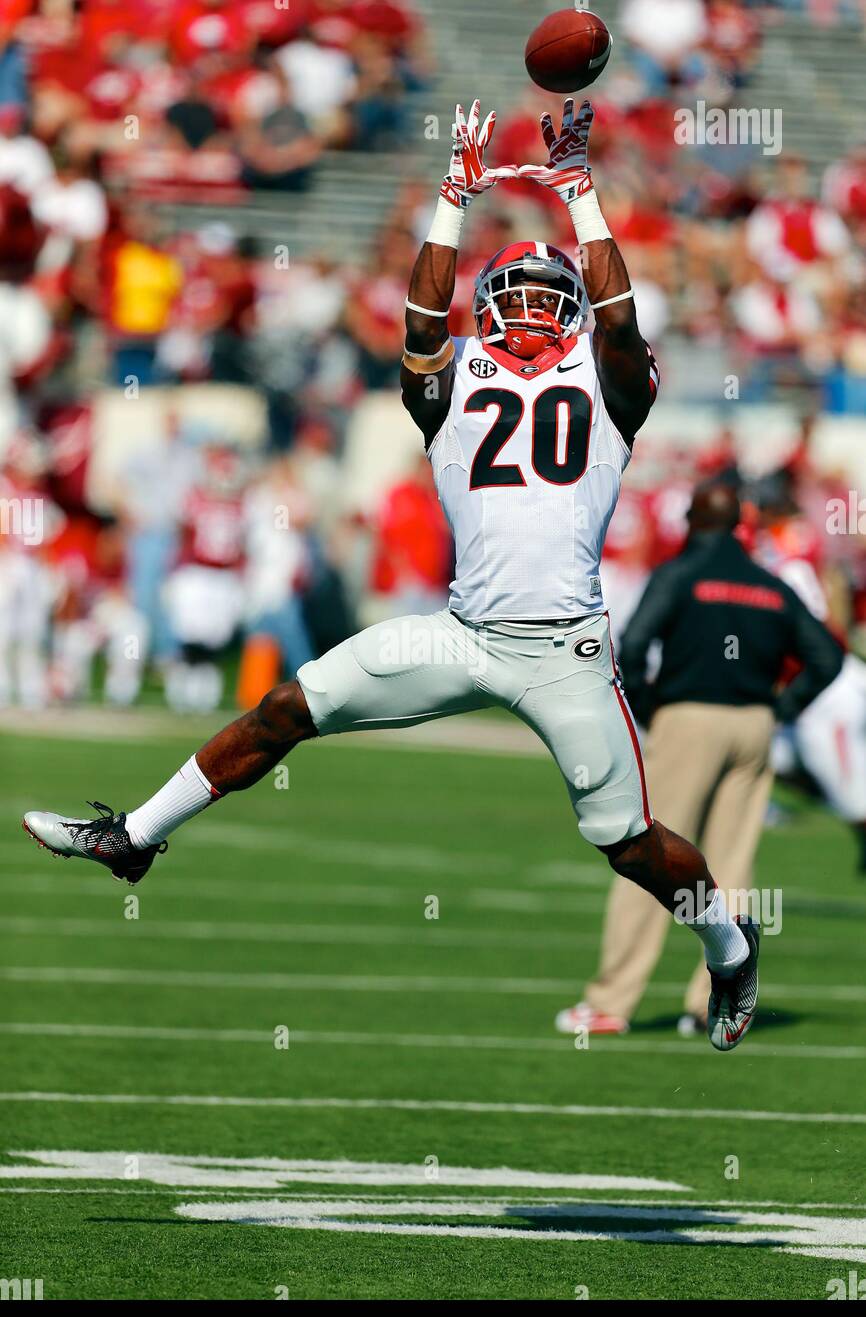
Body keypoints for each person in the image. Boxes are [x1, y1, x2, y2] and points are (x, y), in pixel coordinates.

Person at [26, 98, 759, 1052]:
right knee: (287, 708)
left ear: (573, 311)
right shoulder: (452, 385)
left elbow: (618, 320)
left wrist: (578, 189)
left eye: (549, 296)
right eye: (514, 295)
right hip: (461, 632)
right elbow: (419, 322)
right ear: (486, 310)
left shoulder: (608, 384)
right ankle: (136, 835)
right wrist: (452, 199)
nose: (530, 308)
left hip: (563, 650)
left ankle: (729, 946)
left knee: (627, 843)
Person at [556, 481, 843, 1038]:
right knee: (733, 863)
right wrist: (782, 708)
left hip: (689, 720)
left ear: (690, 521)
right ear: (742, 523)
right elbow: (827, 655)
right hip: (753, 726)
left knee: (651, 853)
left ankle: (613, 999)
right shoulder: (770, 585)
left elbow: (632, 646)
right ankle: (711, 1002)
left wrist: (648, 708)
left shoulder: (681, 574)